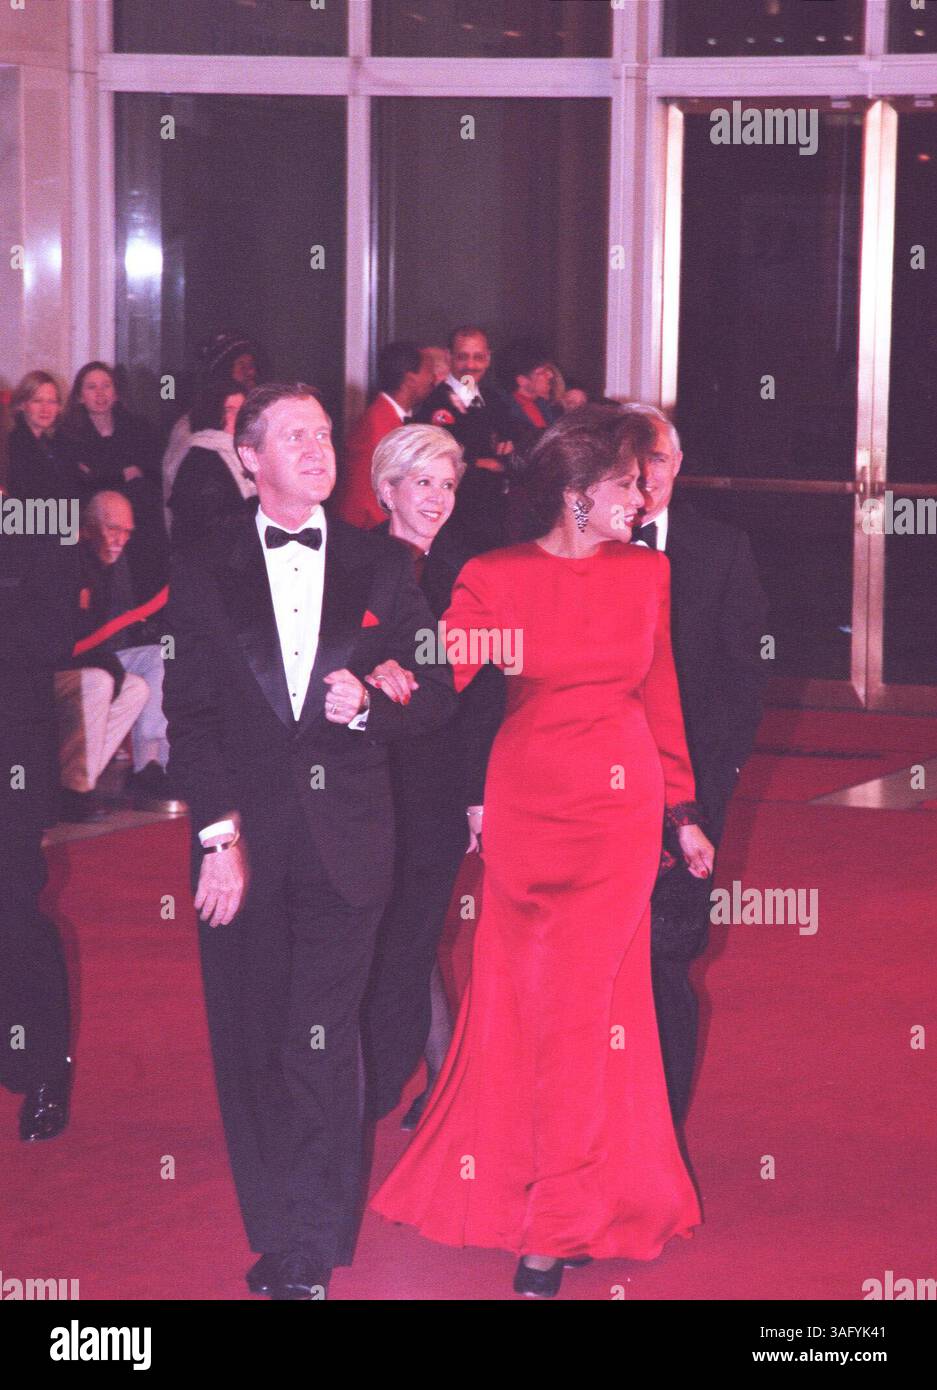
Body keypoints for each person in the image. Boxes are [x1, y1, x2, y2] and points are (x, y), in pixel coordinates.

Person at [371, 405, 714, 1298]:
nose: (640, 499)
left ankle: (557, 1226)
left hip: (618, 810)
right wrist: (369, 670)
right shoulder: (497, 576)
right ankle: (532, 1185)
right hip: (529, 806)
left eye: (642, 484)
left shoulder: (647, 575)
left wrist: (682, 810)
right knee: (526, 1000)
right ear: (574, 497)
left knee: (589, 1004)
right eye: (624, 486)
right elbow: (437, 671)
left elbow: (661, 693)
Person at [162, 383, 458, 1300]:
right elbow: (191, 713)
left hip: (347, 843)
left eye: (325, 434)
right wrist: (218, 835)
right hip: (239, 845)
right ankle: (275, 1218)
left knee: (318, 1040)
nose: (318, 448)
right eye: (294, 436)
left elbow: (437, 689)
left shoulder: (379, 563)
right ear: (248, 459)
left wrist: (371, 703)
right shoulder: (205, 563)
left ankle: (309, 1248)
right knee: (252, 1038)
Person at [623, 403, 768, 1129]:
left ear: (677, 466)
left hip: (685, 804)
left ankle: (657, 1137)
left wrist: (701, 796)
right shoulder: (570, 549)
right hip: (587, 800)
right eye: (629, 460)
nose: (643, 475)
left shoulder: (720, 549)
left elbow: (743, 682)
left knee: (665, 959)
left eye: (656, 459)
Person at [360, 425, 505, 1130]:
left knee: (411, 934)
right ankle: (445, 1076)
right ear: (385, 488)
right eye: (422, 482)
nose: (437, 498)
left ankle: (393, 1083)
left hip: (436, 780)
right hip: (357, 776)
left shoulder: (470, 572)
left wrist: (478, 795)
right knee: (378, 932)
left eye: (447, 484)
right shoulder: (350, 562)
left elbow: (477, 696)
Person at [0, 524, 79, 1138]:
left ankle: (48, 1066)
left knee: (12, 911)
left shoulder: (33, 536)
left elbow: (51, 639)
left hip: (10, 762)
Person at [60, 490, 181, 815]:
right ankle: (72, 786)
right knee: (101, 680)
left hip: (109, 653)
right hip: (67, 662)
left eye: (127, 531)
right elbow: (67, 637)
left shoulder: (116, 559)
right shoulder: (66, 559)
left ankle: (148, 764)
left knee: (156, 663)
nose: (120, 539)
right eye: (113, 529)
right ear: (89, 525)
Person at [416, 326, 517, 554]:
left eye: (478, 357)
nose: (471, 365)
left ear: (488, 358)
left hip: (495, 518)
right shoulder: (435, 404)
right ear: (449, 357)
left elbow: (512, 442)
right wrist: (483, 464)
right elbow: (439, 461)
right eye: (463, 357)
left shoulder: (494, 400)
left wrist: (506, 453)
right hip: (457, 521)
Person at [161, 332, 262, 531]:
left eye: (251, 365)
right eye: (241, 366)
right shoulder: (190, 431)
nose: (250, 372)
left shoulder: (254, 425)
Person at [332, 343, 436, 530]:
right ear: (410, 379)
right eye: (429, 372)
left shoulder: (392, 419)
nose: (434, 378)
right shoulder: (376, 426)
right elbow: (363, 499)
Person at [167, 379, 252, 547]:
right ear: (214, 412)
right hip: (210, 561)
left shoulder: (246, 452)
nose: (237, 418)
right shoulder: (201, 459)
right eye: (229, 410)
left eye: (241, 411)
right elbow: (205, 523)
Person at [5, 371, 79, 500]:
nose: (45, 408)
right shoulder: (14, 445)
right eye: (37, 401)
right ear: (23, 404)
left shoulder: (54, 444)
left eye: (52, 401)